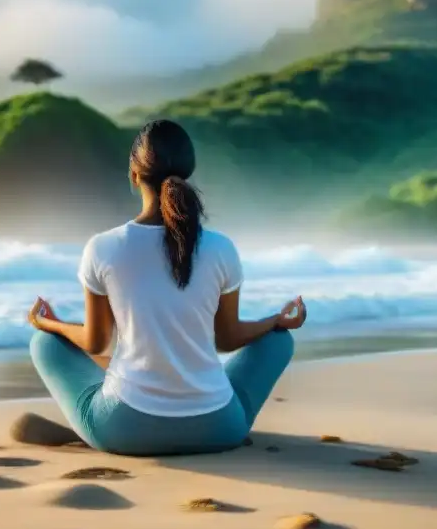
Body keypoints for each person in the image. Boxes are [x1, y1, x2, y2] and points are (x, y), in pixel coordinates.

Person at [27, 119, 306, 456]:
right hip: (218, 430)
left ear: (134, 174)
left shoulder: (103, 247)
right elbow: (227, 339)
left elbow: (97, 341)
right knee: (278, 340)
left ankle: (112, 395)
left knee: (44, 344)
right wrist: (276, 320)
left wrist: (48, 324)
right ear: (188, 172)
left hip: (125, 432)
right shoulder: (221, 248)